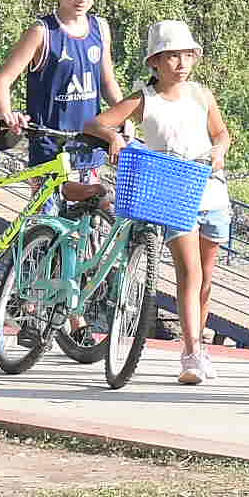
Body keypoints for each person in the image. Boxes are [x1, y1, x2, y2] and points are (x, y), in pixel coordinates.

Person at [83, 20, 232, 384]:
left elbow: (222, 133)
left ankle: (198, 347)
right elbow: (96, 123)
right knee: (189, 271)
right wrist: (114, 137)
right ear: (155, 62)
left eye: (186, 55)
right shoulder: (143, 99)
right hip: (172, 189)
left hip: (211, 189)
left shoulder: (202, 95)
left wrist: (219, 151)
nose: (180, 63)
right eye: (171, 56)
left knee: (206, 276)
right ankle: (191, 352)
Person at [0, 0, 122, 185]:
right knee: (46, 216)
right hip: (48, 143)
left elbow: (107, 82)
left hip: (88, 142)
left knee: (86, 212)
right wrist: (8, 115)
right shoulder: (42, 32)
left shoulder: (100, 29)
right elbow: (2, 80)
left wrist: (123, 116)